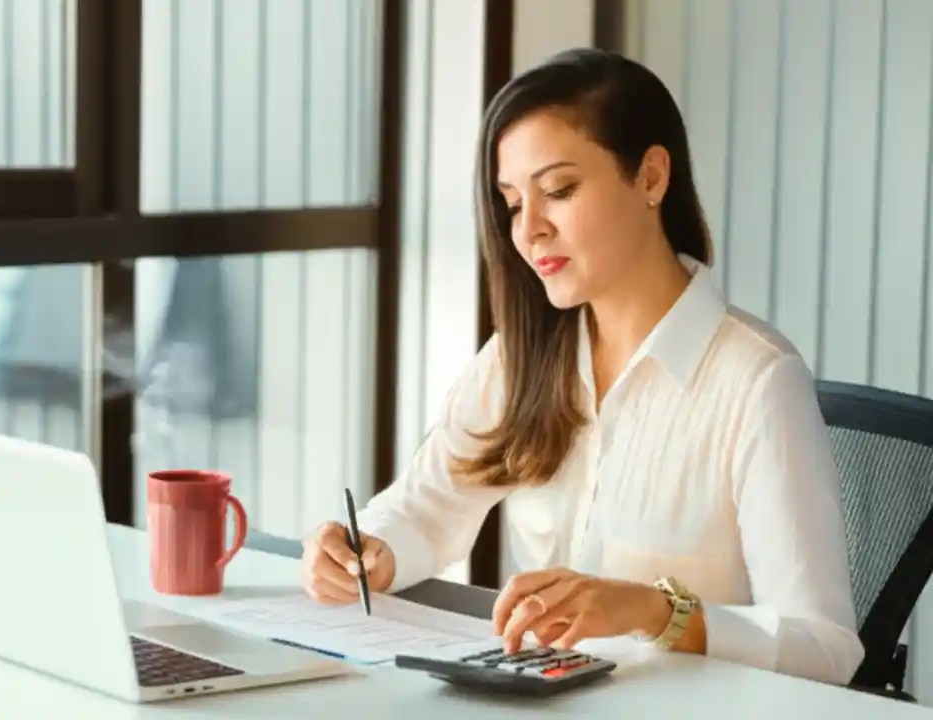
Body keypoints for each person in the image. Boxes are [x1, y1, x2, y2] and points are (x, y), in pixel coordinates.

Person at [299, 48, 864, 685]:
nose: (529, 230)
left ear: (651, 178)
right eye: (512, 203)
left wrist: (656, 610)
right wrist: (364, 551)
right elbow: (424, 509)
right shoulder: (522, 358)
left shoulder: (756, 380)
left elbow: (827, 648)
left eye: (559, 191)